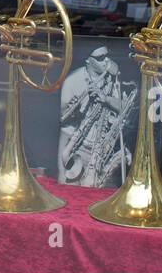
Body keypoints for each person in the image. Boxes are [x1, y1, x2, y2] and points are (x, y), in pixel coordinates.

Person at [57, 46, 137, 189]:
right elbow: (65, 130)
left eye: (108, 56)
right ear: (87, 60)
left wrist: (106, 98)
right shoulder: (73, 82)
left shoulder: (118, 78)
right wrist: (61, 173)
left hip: (107, 152)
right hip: (81, 153)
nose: (107, 61)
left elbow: (129, 109)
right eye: (101, 58)